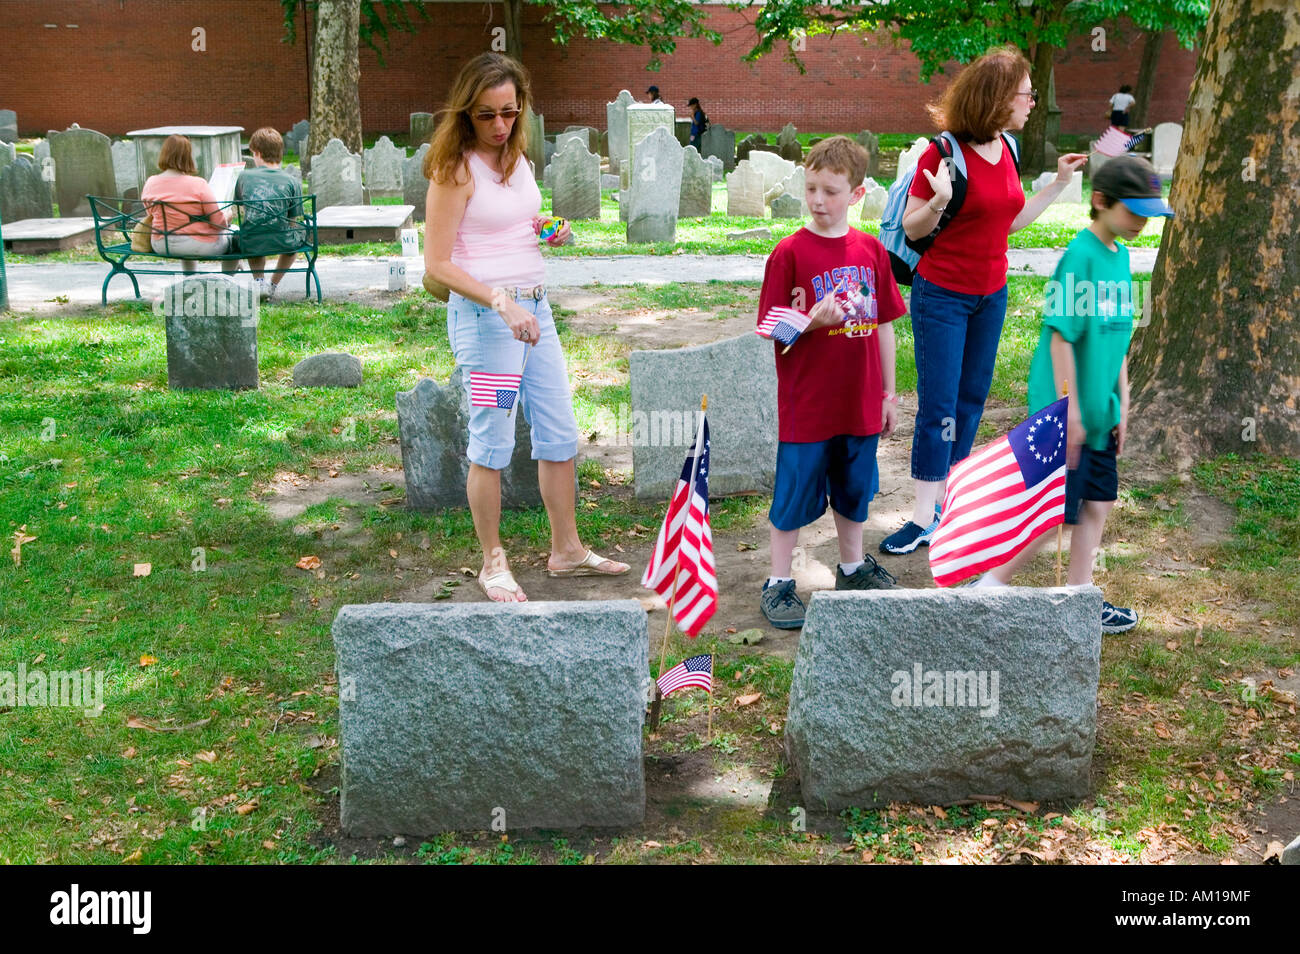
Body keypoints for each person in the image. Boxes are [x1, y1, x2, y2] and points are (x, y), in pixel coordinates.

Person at [423, 52, 629, 603]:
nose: (499, 125)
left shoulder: (519, 163)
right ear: (467, 113)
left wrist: (546, 229)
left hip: (536, 313)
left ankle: (566, 550)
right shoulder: (454, 170)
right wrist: (500, 301)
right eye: (487, 115)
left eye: (510, 113)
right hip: (490, 322)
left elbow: (513, 227)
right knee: (491, 442)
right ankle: (493, 561)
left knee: (560, 432)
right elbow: (438, 265)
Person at [878, 47, 1088, 556]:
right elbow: (911, 226)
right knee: (939, 406)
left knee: (971, 402)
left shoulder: (1009, 149)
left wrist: (1059, 183)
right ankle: (922, 517)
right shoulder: (941, 153)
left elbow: (1007, 222)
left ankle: (952, 506)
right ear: (997, 98)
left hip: (991, 295)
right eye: (1027, 93)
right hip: (943, 296)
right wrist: (939, 202)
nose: (1033, 102)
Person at [972, 155, 1173, 634]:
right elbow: (1061, 336)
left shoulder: (1122, 258)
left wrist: (1121, 403)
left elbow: (1119, 338)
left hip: (1100, 412)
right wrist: (1072, 410)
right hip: (1066, 414)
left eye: (1149, 212)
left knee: (1097, 504)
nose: (1142, 220)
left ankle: (1080, 599)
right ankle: (989, 587)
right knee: (1054, 515)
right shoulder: (1078, 257)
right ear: (1101, 202)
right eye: (1135, 210)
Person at [756, 137, 907, 630]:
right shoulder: (789, 254)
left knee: (854, 489)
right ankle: (779, 582)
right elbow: (770, 329)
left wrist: (888, 393)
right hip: (809, 405)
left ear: (857, 194)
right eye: (812, 188)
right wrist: (810, 323)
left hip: (858, 401)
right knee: (795, 493)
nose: (819, 200)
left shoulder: (871, 252)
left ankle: (850, 567)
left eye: (831, 191)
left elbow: (883, 324)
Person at [140, 134, 233, 272]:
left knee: (186, 234)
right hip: (197, 245)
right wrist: (228, 215)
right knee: (235, 233)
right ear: (188, 157)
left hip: (160, 244)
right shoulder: (198, 184)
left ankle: (190, 279)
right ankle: (227, 278)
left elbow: (151, 213)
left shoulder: (151, 182)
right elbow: (218, 223)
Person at [235, 127, 306, 300]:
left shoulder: (244, 177)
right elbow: (292, 219)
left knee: (254, 232)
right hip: (282, 240)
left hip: (251, 240)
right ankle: (273, 285)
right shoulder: (292, 181)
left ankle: (259, 281)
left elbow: (242, 208)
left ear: (257, 153)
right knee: (295, 240)